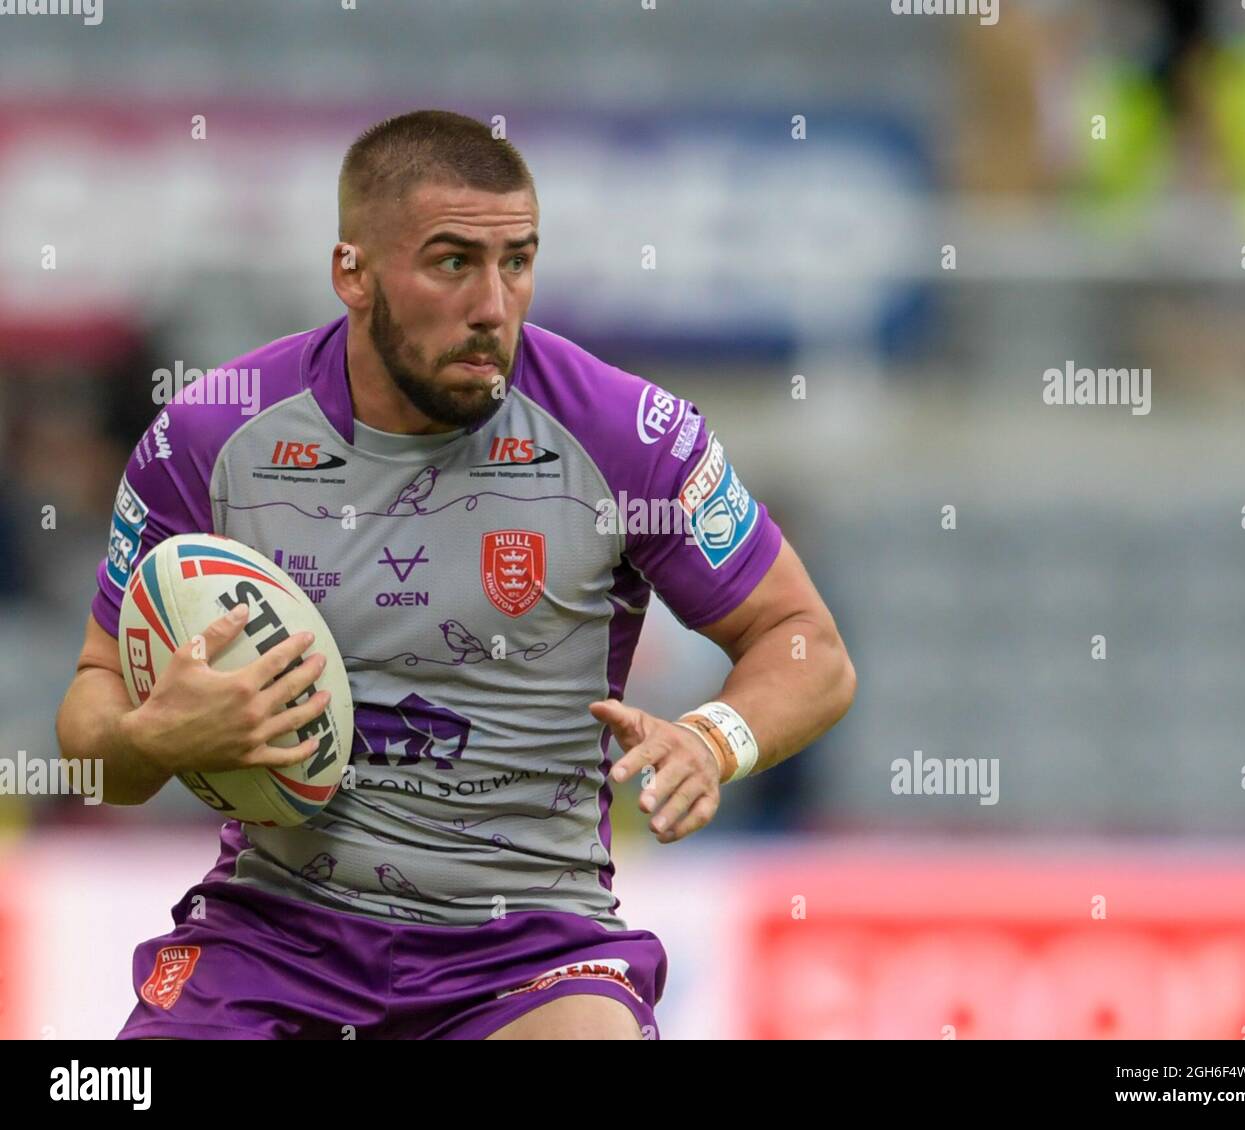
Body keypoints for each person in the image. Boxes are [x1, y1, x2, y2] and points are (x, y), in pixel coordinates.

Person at [55, 109, 856, 1040]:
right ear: (352, 272)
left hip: (530, 953)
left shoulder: (626, 438)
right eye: (452, 263)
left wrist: (714, 739)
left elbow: (810, 648)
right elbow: (93, 741)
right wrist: (154, 737)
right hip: (272, 942)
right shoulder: (205, 442)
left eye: (517, 260)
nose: (493, 305)